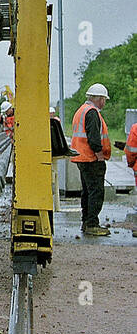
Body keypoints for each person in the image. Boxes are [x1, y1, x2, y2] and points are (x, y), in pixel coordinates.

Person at [70, 82, 112, 237]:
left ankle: (86, 222)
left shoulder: (81, 110)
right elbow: (94, 137)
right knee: (96, 192)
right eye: (104, 99)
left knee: (87, 192)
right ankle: (92, 224)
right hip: (91, 157)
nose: (104, 102)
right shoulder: (92, 112)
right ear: (99, 98)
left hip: (81, 157)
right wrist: (99, 154)